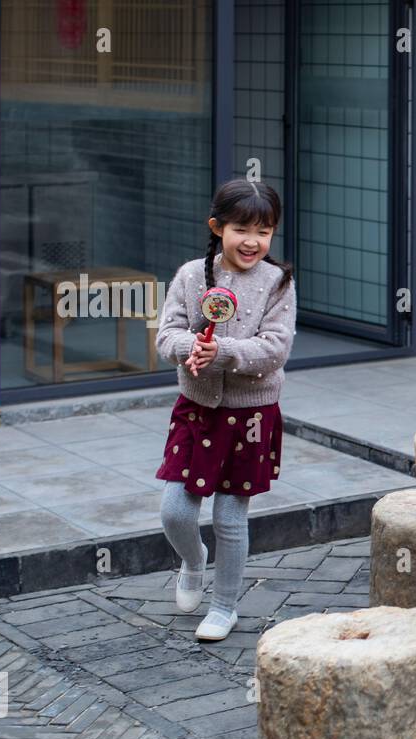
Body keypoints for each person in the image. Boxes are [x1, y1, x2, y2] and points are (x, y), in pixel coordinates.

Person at [153, 179, 296, 640]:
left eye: (265, 230)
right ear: (217, 227)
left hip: (251, 416)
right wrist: (190, 346)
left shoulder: (278, 282)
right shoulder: (193, 276)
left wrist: (224, 352)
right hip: (197, 409)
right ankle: (193, 561)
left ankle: (224, 606)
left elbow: (274, 348)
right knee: (176, 510)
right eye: (241, 228)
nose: (253, 241)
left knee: (231, 518)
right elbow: (166, 334)